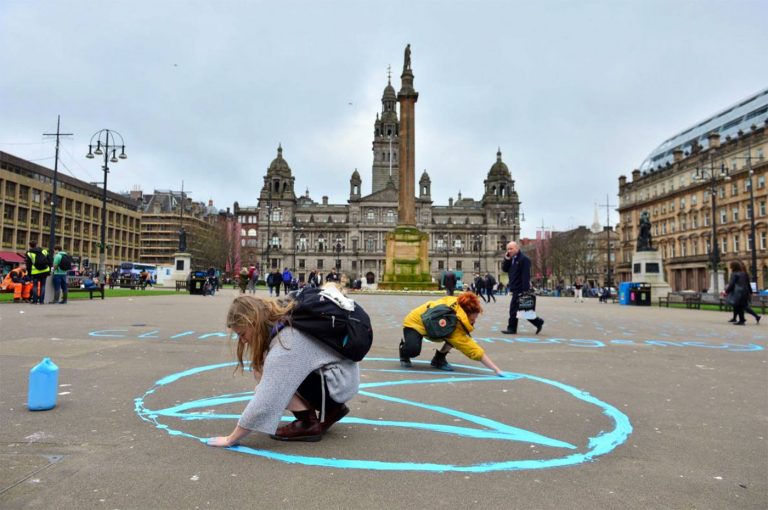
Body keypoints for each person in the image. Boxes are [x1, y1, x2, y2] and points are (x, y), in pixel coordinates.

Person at [207, 294, 360, 446]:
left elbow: (266, 398)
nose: (242, 340)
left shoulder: (286, 343)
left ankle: (308, 423)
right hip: (342, 377)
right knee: (262, 369)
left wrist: (231, 439)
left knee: (273, 379)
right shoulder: (283, 319)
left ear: (253, 322)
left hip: (339, 384)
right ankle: (333, 409)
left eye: (242, 334)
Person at [398, 292, 507, 375]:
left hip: (436, 326)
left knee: (452, 337)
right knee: (413, 350)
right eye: (474, 317)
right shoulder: (453, 321)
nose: (475, 320)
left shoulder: (458, 309)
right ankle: (404, 352)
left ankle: (439, 359)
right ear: (467, 313)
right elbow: (472, 349)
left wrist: (496, 369)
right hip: (415, 323)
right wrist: (497, 370)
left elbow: (469, 346)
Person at [501, 241, 544, 335]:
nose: (509, 251)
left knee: (514, 309)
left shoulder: (524, 259)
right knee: (523, 310)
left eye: (511, 249)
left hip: (520, 288)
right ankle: (538, 322)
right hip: (515, 287)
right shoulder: (511, 259)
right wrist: (506, 259)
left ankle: (511, 328)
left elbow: (526, 276)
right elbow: (504, 269)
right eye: (508, 249)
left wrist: (525, 290)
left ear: (517, 248)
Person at [725, 260, 759, 325]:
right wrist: (751, 292)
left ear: (733, 267)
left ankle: (742, 320)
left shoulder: (734, 274)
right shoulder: (744, 273)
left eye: (731, 266)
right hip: (745, 292)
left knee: (739, 306)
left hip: (738, 292)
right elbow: (748, 284)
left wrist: (727, 291)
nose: (730, 267)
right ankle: (743, 319)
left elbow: (732, 284)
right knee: (742, 306)